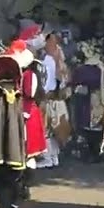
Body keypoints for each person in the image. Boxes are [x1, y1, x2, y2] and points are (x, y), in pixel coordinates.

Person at [0, 37, 46, 208]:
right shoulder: (13, 88)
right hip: (15, 135)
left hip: (8, 135)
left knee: (1, 174)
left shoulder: (1, 90)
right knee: (13, 171)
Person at [36, 33, 71, 170]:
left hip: (50, 98)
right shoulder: (57, 60)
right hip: (57, 99)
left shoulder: (48, 61)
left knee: (47, 129)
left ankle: (48, 158)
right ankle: (53, 157)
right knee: (53, 129)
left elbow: (48, 82)